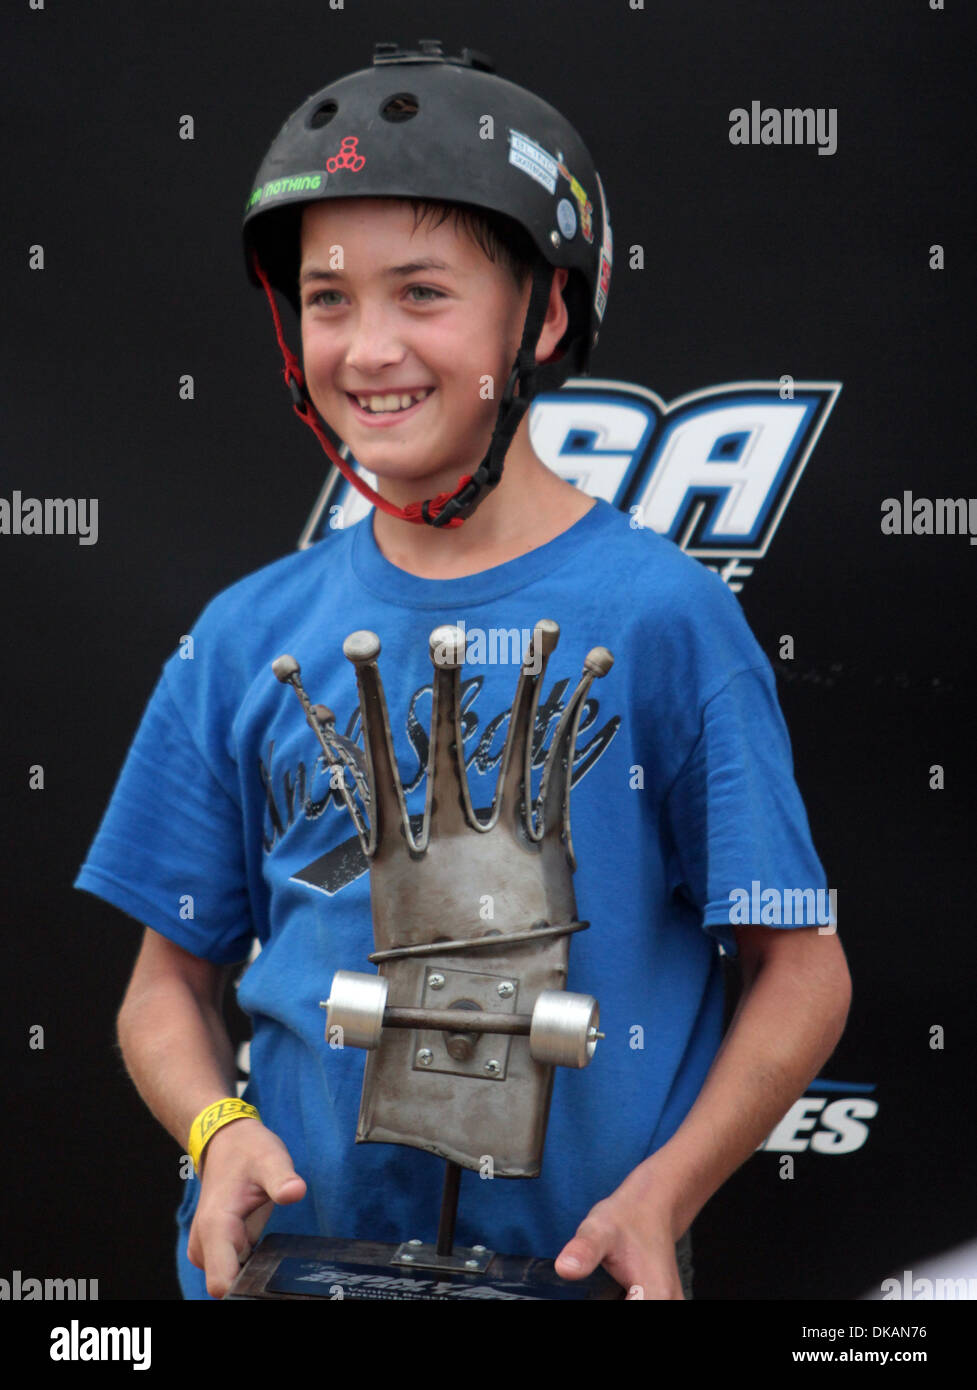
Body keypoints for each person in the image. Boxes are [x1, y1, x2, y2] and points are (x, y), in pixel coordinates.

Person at [75, 42, 851, 1301]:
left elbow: (800, 969)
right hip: (292, 1277)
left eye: (421, 293)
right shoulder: (243, 631)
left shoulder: (665, 616)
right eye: (328, 298)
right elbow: (164, 985)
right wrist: (217, 1134)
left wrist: (664, 1194)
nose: (366, 347)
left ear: (540, 314)